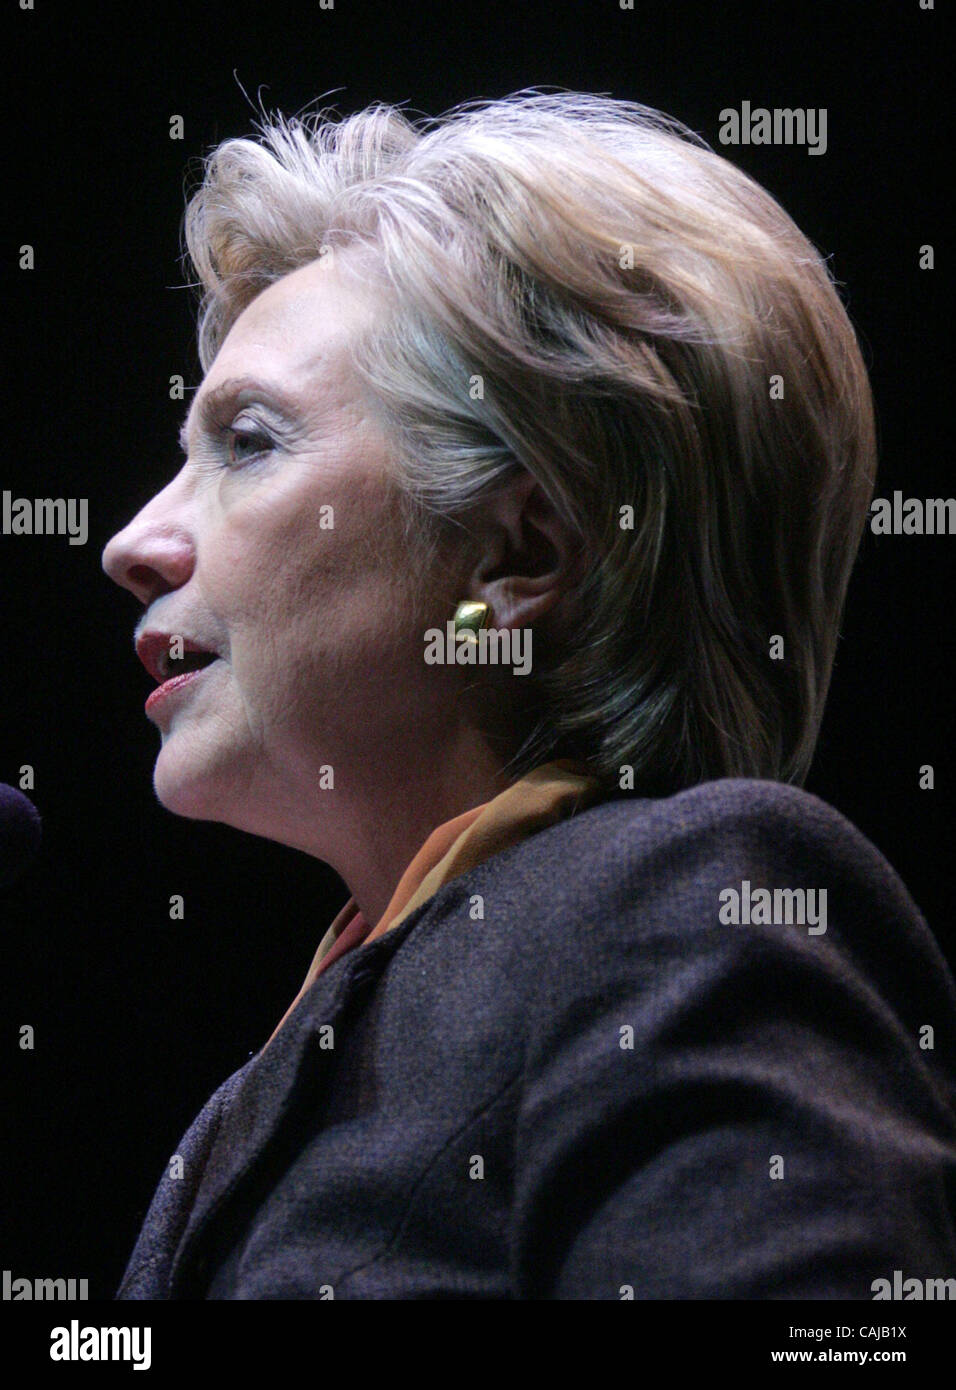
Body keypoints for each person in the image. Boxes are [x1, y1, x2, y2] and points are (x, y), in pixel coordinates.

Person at [102, 91, 956, 1299]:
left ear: (518, 557)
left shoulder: (695, 907)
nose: (134, 543)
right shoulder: (283, 1077)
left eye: (248, 443)